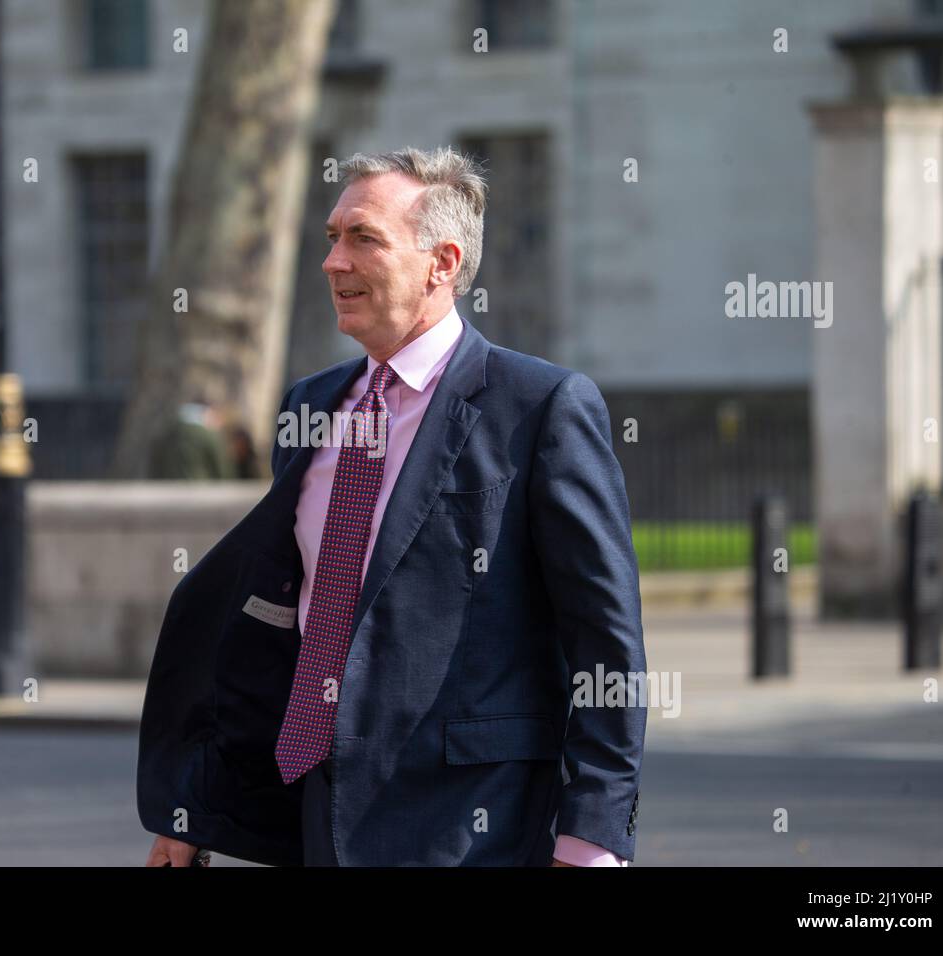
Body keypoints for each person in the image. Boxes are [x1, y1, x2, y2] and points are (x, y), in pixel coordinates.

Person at [140, 145, 646, 867]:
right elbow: (281, 630)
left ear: (441, 262)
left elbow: (606, 639)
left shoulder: (540, 406)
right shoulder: (310, 406)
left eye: (363, 238)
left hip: (475, 829)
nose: (332, 262)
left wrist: (592, 839)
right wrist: (195, 808)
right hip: (321, 820)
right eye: (331, 237)